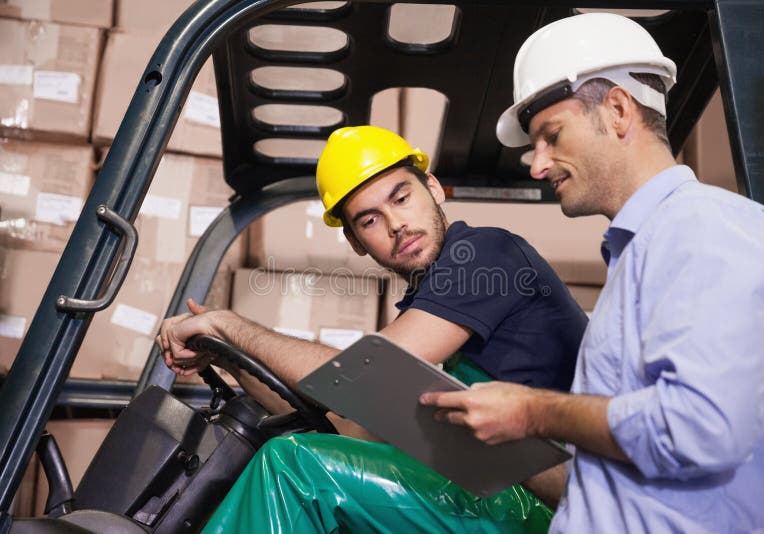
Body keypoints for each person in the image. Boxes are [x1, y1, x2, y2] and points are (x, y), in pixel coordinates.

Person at [421, 12, 764, 532]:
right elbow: (613, 476)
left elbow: (703, 428)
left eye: (552, 135)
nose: (537, 164)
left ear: (619, 110)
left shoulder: (707, 228)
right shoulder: (641, 252)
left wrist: (533, 411)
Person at [159, 125, 588, 531]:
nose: (396, 224)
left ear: (433, 188)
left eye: (401, 198)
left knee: (296, 469)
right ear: (355, 242)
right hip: (488, 485)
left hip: (545, 500)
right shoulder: (425, 310)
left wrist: (230, 325)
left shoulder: (484, 256)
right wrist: (230, 356)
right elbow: (345, 422)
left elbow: (364, 378)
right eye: (369, 220)